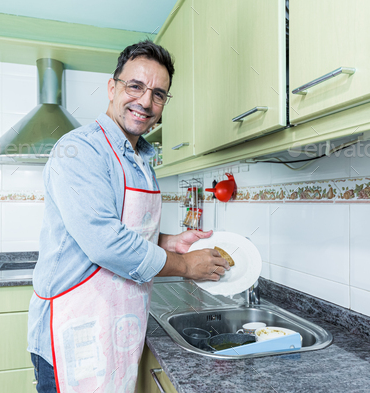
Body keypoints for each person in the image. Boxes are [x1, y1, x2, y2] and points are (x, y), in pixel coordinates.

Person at [27, 40, 230, 393]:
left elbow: (127, 227)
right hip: (75, 334)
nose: (146, 102)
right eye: (135, 86)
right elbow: (105, 243)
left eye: (159, 94)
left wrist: (169, 242)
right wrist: (185, 266)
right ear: (112, 87)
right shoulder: (81, 150)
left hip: (119, 328)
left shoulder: (142, 160)